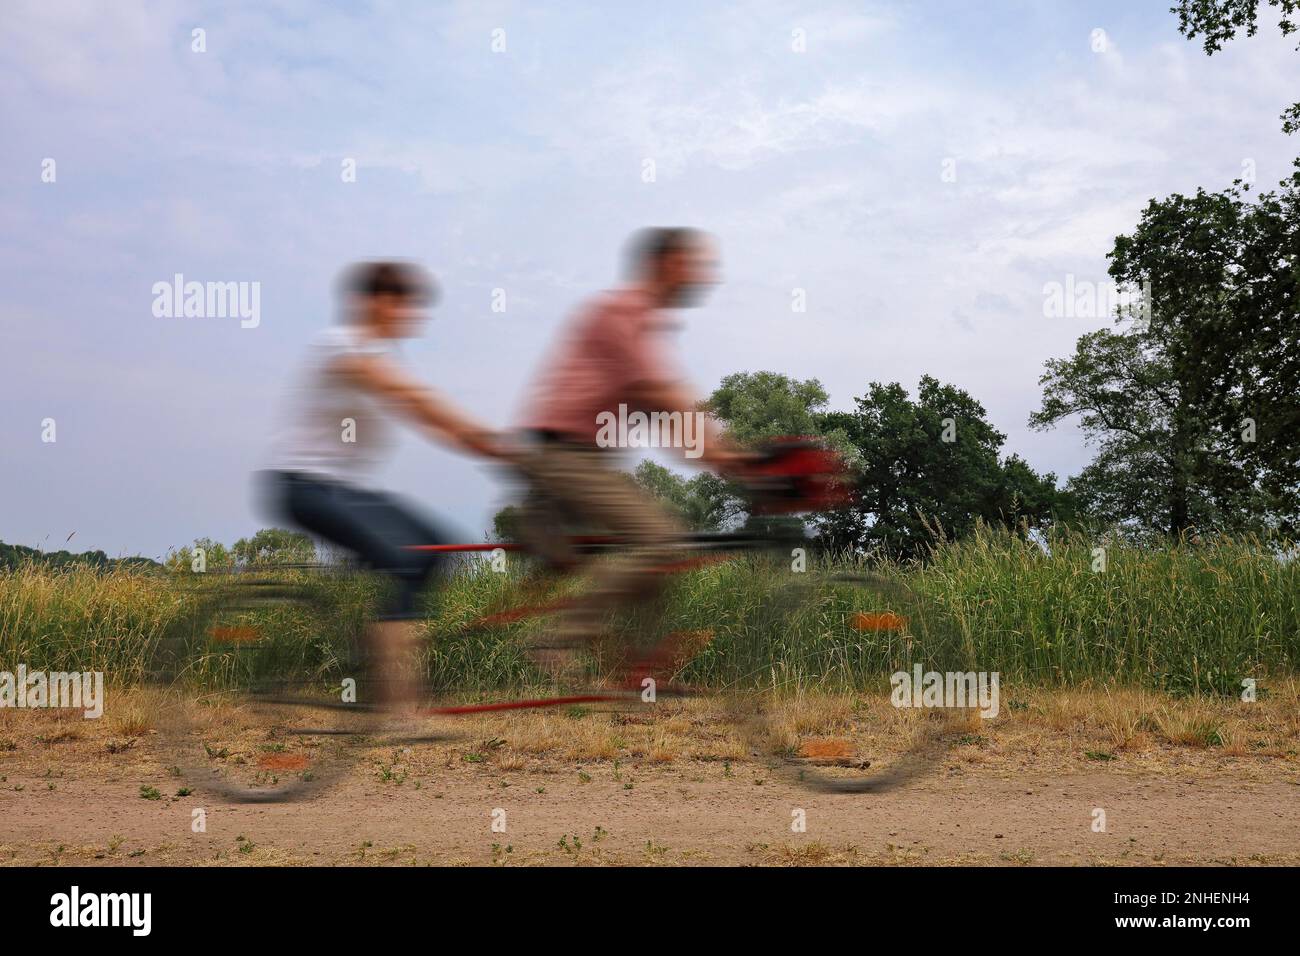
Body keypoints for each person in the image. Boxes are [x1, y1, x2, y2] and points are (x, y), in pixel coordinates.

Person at [261, 260, 506, 707]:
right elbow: (413, 398)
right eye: (405, 304)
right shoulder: (341, 347)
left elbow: (426, 419)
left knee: (436, 547)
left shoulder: (383, 357)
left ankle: (378, 661)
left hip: (345, 489)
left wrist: (486, 449)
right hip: (304, 487)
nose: (413, 316)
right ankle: (399, 707)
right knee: (407, 560)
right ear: (374, 302)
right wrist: (491, 441)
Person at [514, 228, 750, 673]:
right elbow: (661, 394)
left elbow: (668, 420)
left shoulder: (644, 322)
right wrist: (735, 459)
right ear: (665, 263)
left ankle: (640, 673)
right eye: (693, 263)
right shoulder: (622, 313)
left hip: (578, 459)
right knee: (660, 540)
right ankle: (557, 642)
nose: (703, 275)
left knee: (655, 563)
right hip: (562, 458)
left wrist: (723, 458)